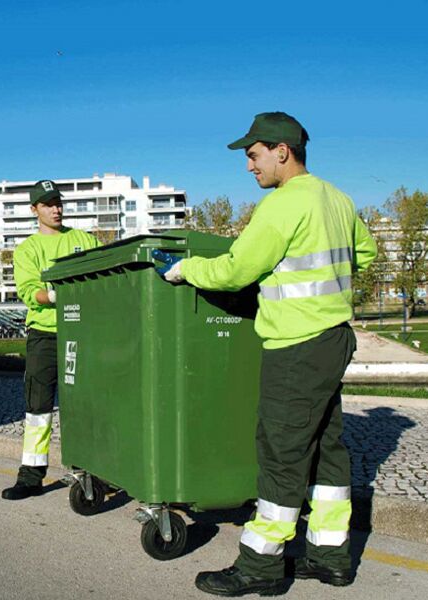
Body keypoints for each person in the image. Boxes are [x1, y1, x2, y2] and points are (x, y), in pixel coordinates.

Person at [162, 112, 378, 596]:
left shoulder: (284, 205)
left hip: (297, 344)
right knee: (326, 449)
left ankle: (259, 566)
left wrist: (187, 270)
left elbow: (238, 268)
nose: (249, 166)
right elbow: (364, 254)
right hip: (334, 337)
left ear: (283, 151)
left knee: (282, 452)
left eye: (253, 155)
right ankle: (331, 557)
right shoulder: (337, 199)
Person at [1, 180, 99, 500]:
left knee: (85, 404)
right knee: (38, 407)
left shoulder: (84, 240)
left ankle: (93, 470)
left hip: (82, 331)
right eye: (47, 204)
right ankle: (31, 476)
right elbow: (31, 293)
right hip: (44, 334)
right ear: (34, 210)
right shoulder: (27, 250)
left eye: (58, 202)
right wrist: (61, 294)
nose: (56, 209)